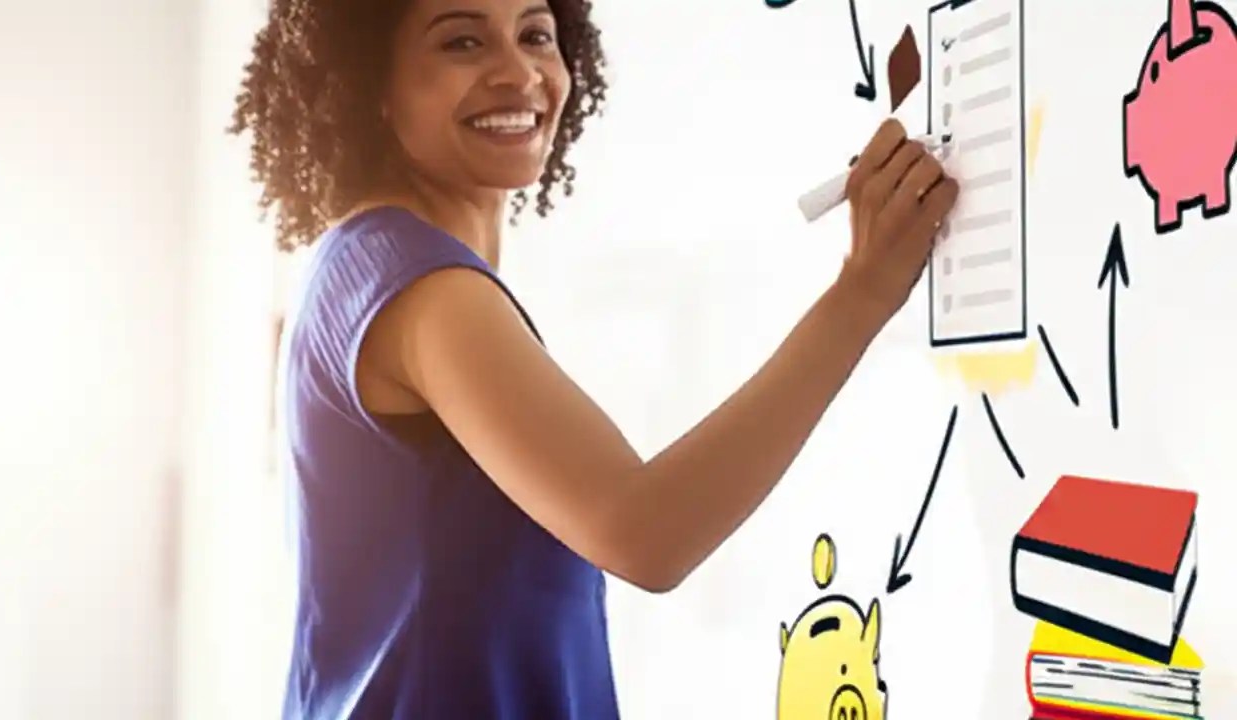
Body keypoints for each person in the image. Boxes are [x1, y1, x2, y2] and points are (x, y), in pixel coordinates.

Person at [228, 0, 959, 717]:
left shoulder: (369, 267)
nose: (520, 73)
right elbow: (647, 534)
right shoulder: (417, 284)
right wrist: (862, 294)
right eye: (461, 43)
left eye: (535, 34)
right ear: (370, 81)